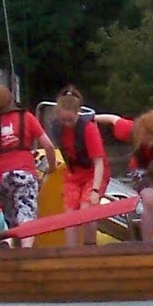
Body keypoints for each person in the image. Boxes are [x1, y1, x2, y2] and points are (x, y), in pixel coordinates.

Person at [0, 85, 56, 247]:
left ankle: (7, 242)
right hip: (24, 173)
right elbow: (48, 146)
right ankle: (26, 249)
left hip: (2, 175)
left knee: (5, 216)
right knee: (26, 213)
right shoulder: (27, 117)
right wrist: (52, 167)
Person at [94, 108, 153, 241]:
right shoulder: (131, 129)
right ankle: (147, 244)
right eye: (147, 139)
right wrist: (91, 118)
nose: (150, 143)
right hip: (141, 169)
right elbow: (113, 119)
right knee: (149, 200)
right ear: (141, 132)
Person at [47, 87, 108, 246]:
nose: (67, 124)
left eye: (70, 120)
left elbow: (99, 162)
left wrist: (95, 190)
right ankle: (71, 253)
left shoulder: (88, 128)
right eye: (63, 120)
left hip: (94, 173)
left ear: (77, 114)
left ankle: (90, 247)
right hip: (73, 174)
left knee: (86, 209)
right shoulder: (57, 128)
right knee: (70, 215)